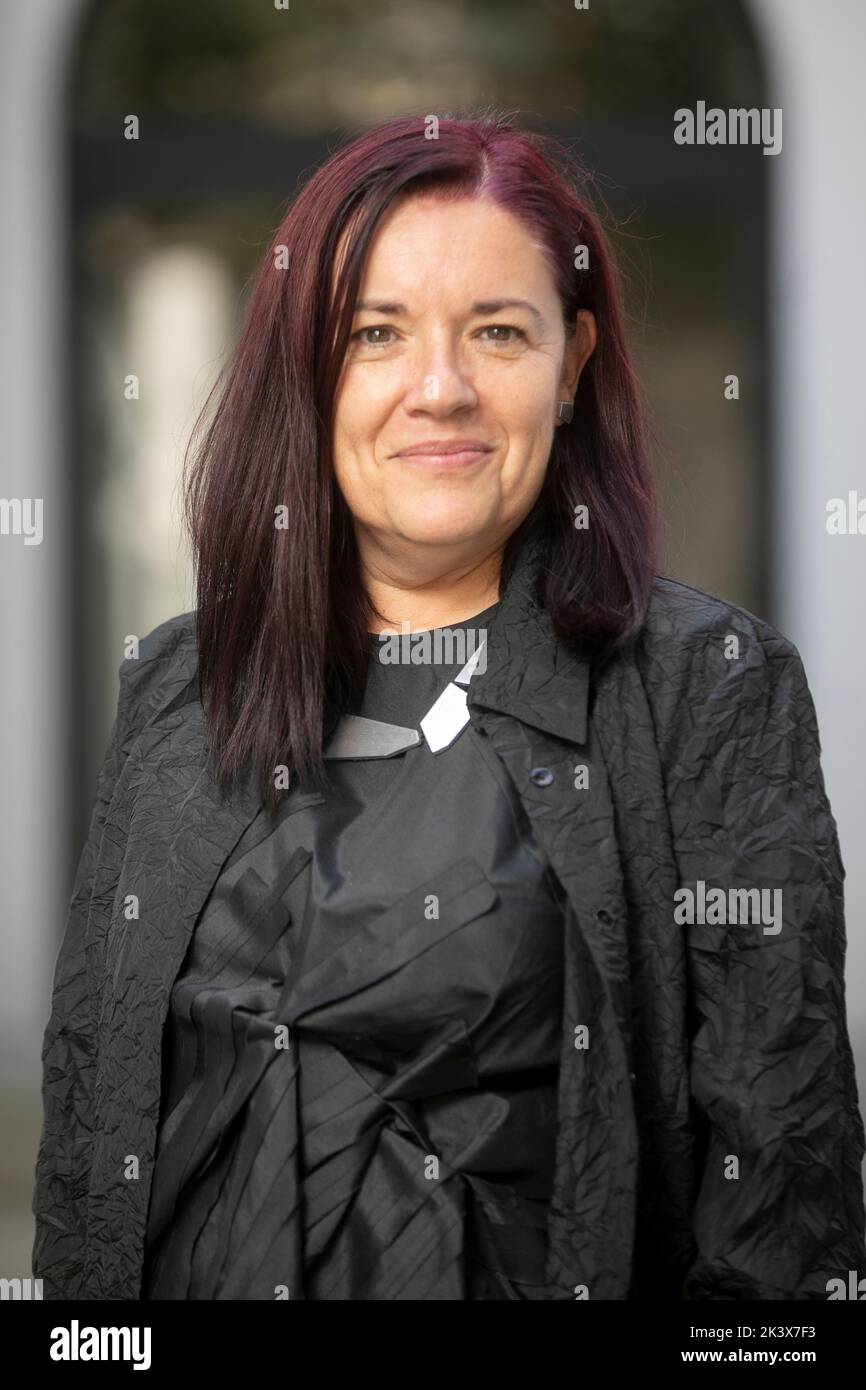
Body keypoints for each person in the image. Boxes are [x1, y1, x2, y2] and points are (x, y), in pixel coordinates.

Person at [32, 111, 866, 1301]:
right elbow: (89, 1109)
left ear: (569, 367)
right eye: (375, 334)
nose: (440, 389)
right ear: (307, 373)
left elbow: (779, 1184)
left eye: (496, 333)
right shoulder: (179, 685)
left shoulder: (704, 689)